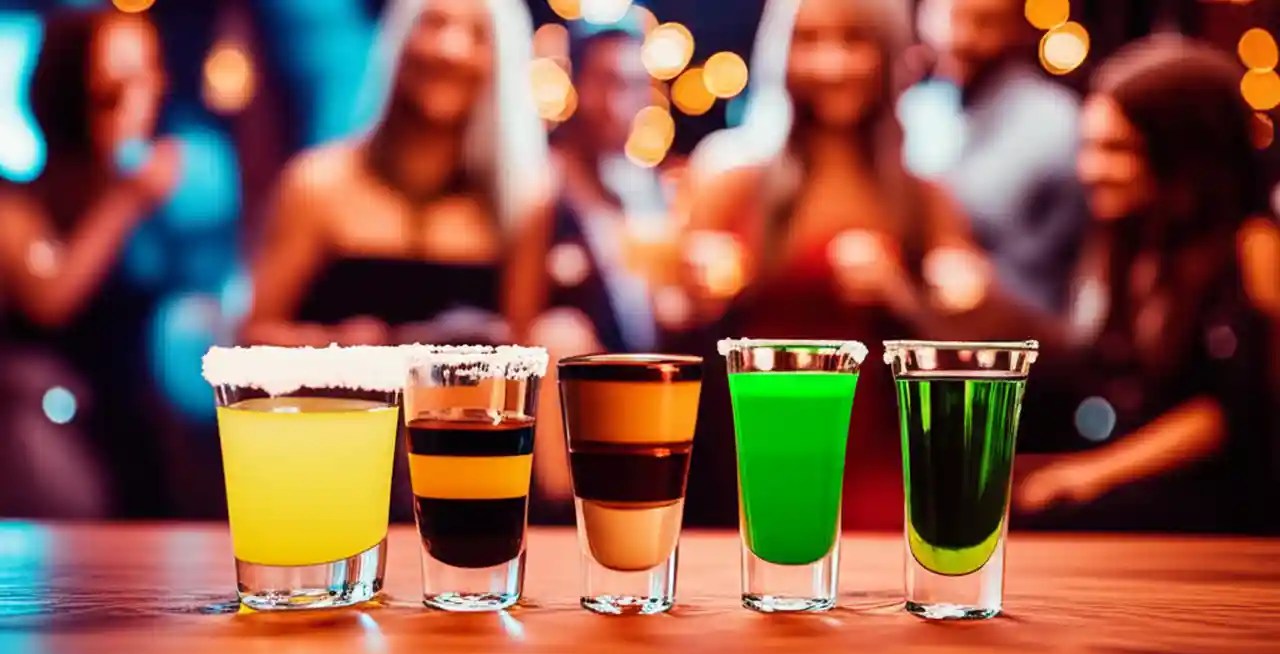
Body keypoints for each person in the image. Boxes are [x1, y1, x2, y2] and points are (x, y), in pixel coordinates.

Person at [679, 0, 982, 529]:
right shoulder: (730, 175)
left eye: (854, 41)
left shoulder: (922, 196)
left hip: (874, 458)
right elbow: (669, 315)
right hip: (748, 453)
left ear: (888, 55)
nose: (831, 64)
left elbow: (965, 330)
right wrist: (697, 285)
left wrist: (902, 294)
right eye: (810, 40)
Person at [1012, 36, 1277, 533]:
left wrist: (1092, 474)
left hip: (1213, 515)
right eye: (1088, 146)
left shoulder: (1254, 248)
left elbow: (1228, 415)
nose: (1091, 170)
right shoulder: (1128, 239)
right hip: (1139, 480)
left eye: (1118, 149)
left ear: (1186, 154)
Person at [243, 0, 551, 349]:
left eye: (478, 35)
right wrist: (338, 346)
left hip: (463, 404)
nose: (450, 49)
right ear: (399, 40)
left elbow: (523, 354)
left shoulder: (521, 200)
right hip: (339, 401)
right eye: (434, 24)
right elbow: (252, 338)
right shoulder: (318, 184)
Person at [0, 8, 181, 518]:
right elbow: (49, 298)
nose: (143, 98)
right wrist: (124, 203)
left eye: (151, 76)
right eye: (117, 86)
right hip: (52, 445)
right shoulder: (20, 203)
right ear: (68, 93)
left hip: (138, 430)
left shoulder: (147, 196)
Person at [906, 0, 1085, 312]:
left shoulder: (1057, 123)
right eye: (950, 17)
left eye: (985, 23)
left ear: (1017, 29)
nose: (960, 37)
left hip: (1014, 337)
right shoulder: (913, 110)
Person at [546, 22, 662, 356]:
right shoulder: (545, 183)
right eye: (604, 81)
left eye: (633, 85)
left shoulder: (649, 188)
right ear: (576, 84)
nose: (616, 104)